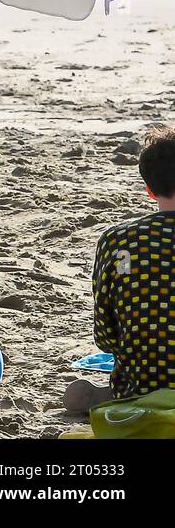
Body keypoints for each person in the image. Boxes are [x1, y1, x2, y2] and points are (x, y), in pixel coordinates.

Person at [67, 125, 175, 413]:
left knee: (80, 395)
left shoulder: (118, 240)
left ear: (149, 189)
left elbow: (105, 337)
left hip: (138, 387)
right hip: (142, 388)